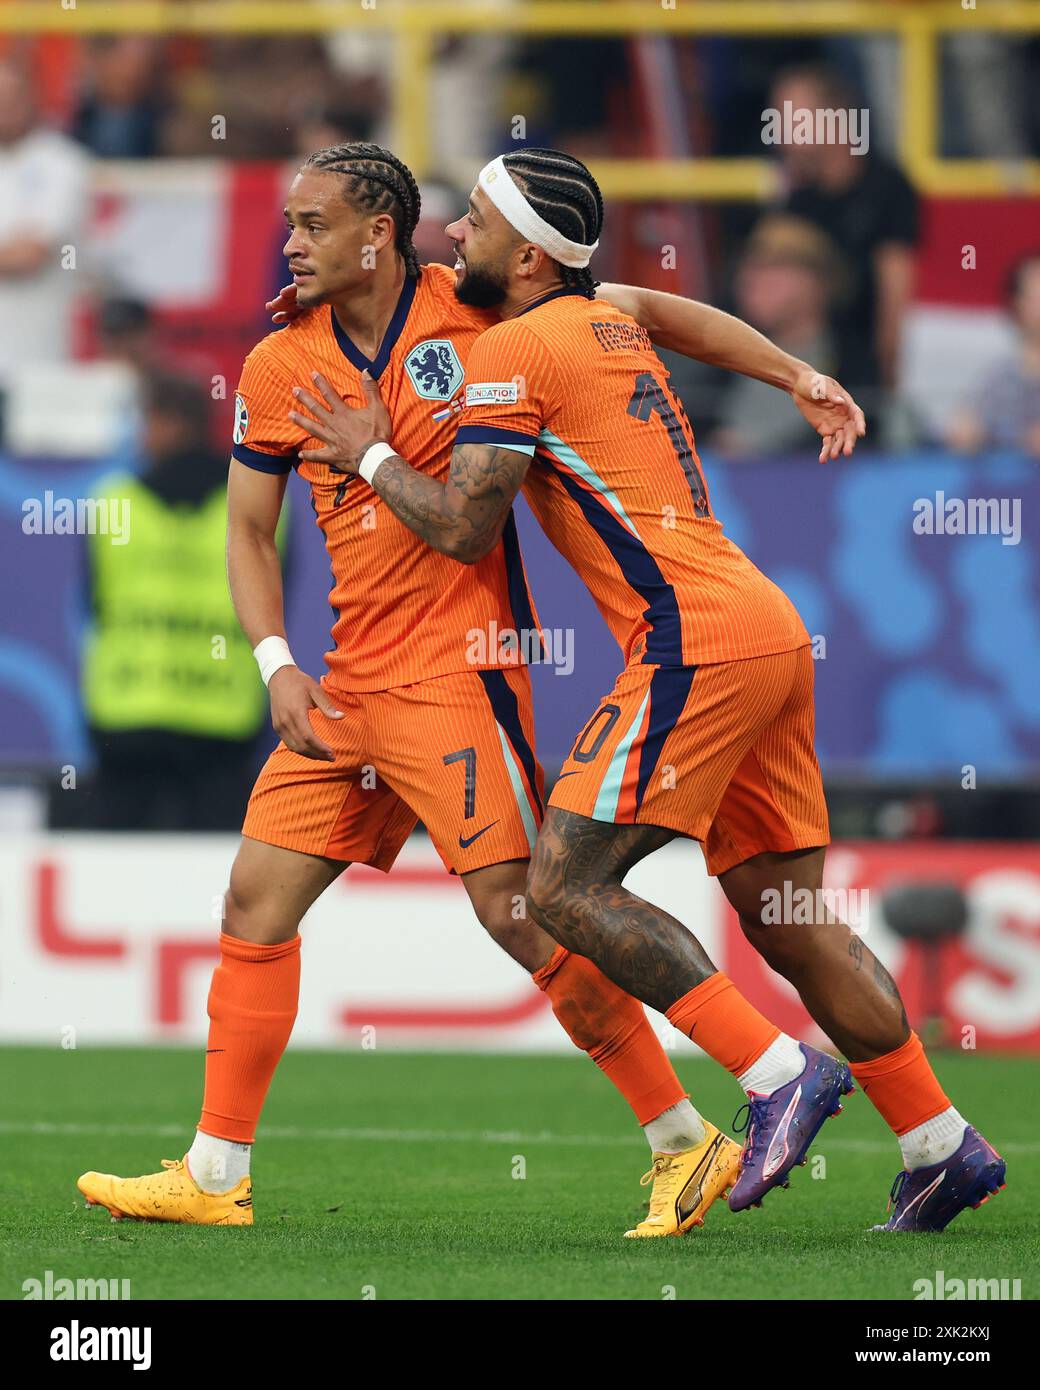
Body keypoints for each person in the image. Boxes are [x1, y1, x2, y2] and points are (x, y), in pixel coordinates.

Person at [296, 146, 1005, 1234]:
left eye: (476, 225)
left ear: (528, 256)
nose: (455, 237)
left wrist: (372, 458)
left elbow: (463, 526)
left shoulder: (516, 350)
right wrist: (796, 374)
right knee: (788, 916)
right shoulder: (597, 314)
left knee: (562, 886)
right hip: (761, 624)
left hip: (690, 640)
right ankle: (938, 1143)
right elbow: (680, 315)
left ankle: (775, 1075)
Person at [79, 143, 753, 1240]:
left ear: (375, 234)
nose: (288, 243)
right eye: (287, 223)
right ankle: (213, 1173)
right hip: (344, 684)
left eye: (310, 223)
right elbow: (247, 531)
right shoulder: (273, 365)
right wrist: (272, 664)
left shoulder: (484, 307)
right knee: (254, 902)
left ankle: (685, 1135)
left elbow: (643, 316)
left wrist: (795, 375)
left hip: (458, 670)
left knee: (520, 910)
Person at [78, 372, 270, 831]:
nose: (141, 434)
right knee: (215, 875)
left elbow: (94, 602)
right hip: (223, 717)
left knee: (117, 872)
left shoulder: (113, 501)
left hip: (127, 711)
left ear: (171, 422)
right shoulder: (254, 504)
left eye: (147, 420)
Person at [768, 64, 918, 437]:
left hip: (862, 363)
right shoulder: (797, 197)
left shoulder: (887, 187)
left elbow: (894, 293)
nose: (780, 132)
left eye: (792, 117)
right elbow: (768, 285)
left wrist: (884, 383)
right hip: (803, 355)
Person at [0, 59, 90, 440]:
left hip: (36, 361)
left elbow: (29, 255)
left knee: (27, 488)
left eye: (11, 98)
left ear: (33, 100)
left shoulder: (62, 164)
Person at [711, 215, 844, 457]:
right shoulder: (716, 363)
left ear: (817, 282)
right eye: (750, 265)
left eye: (774, 266)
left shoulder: (852, 371)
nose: (751, 278)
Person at [946, 252, 1040, 458]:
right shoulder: (1000, 378)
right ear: (1018, 304)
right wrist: (968, 433)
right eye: (1036, 295)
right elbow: (963, 427)